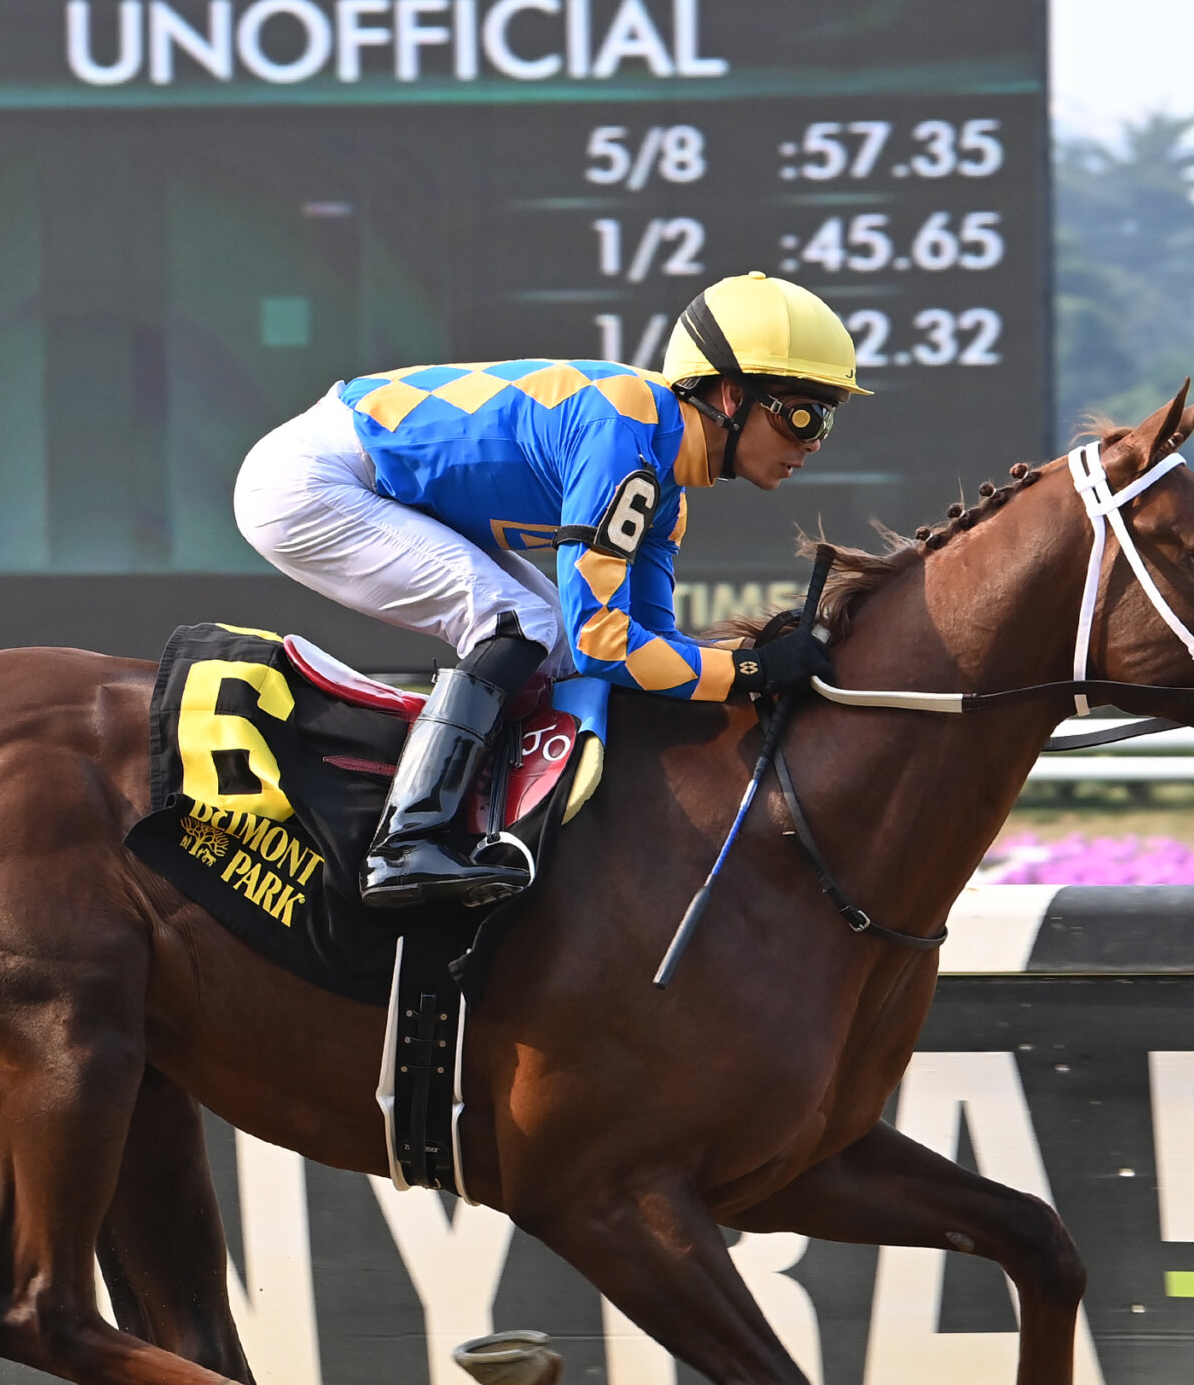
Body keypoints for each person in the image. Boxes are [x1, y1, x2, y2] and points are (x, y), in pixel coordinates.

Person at [234, 272, 867, 910]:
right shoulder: (622, 436)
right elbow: (606, 645)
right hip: (312, 480)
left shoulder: (663, 490)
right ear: (731, 396)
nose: (811, 444)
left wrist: (746, 676)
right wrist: (751, 669)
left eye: (828, 424)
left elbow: (649, 650)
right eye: (803, 414)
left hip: (364, 477)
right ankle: (406, 841)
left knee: (554, 639)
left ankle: (513, 826)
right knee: (521, 623)